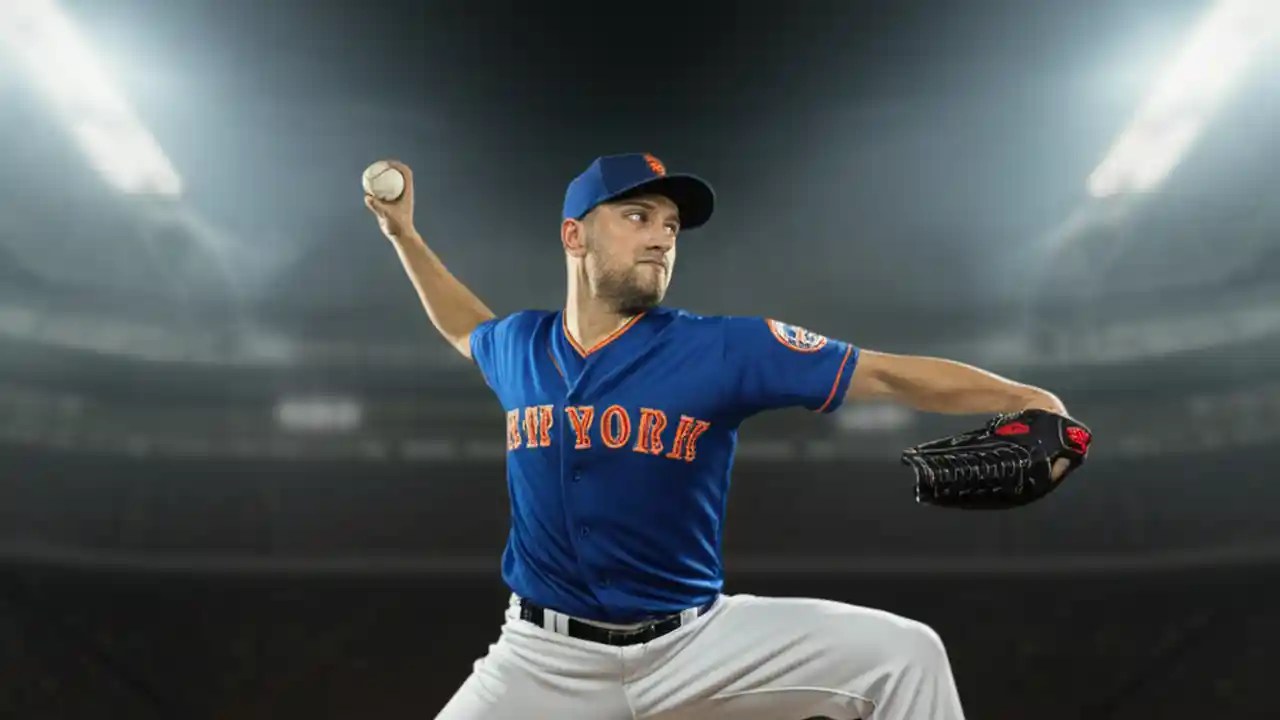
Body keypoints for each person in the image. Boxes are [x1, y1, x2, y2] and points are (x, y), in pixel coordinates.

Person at [364, 153, 1070, 719]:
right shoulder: (520, 345)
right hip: (543, 662)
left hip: (696, 643)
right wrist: (405, 237)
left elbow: (884, 375)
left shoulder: (727, 349)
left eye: (671, 225)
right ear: (573, 235)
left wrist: (1027, 397)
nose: (661, 236)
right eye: (637, 215)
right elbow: (462, 325)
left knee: (906, 655)